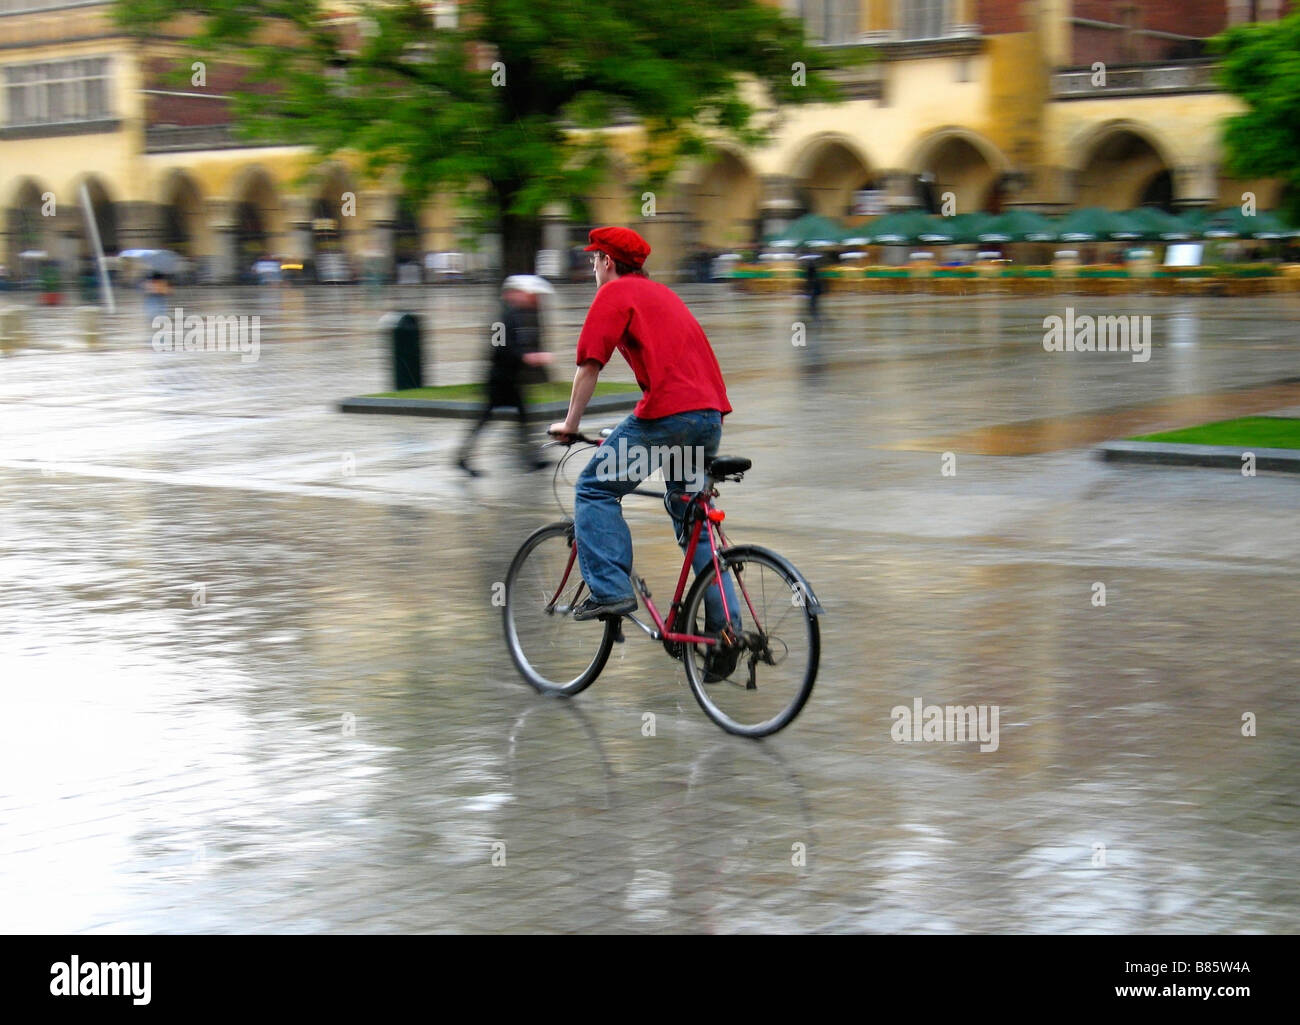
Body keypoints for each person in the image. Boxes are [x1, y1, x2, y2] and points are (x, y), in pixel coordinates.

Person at [548, 226, 743, 677]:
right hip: (707, 417)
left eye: (594, 260)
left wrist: (570, 425)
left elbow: (589, 363)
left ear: (608, 262)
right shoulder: (662, 294)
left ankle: (611, 589)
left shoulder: (613, 295)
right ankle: (725, 630)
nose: (592, 268)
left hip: (668, 416)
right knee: (690, 515)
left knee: (595, 487)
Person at [457, 274, 555, 476]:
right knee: (485, 420)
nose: (534, 299)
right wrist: (526, 358)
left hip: (512, 380)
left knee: (522, 418)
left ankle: (531, 459)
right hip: (499, 380)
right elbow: (498, 348)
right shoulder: (501, 318)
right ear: (516, 294)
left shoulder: (523, 315)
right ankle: (462, 457)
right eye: (530, 294)